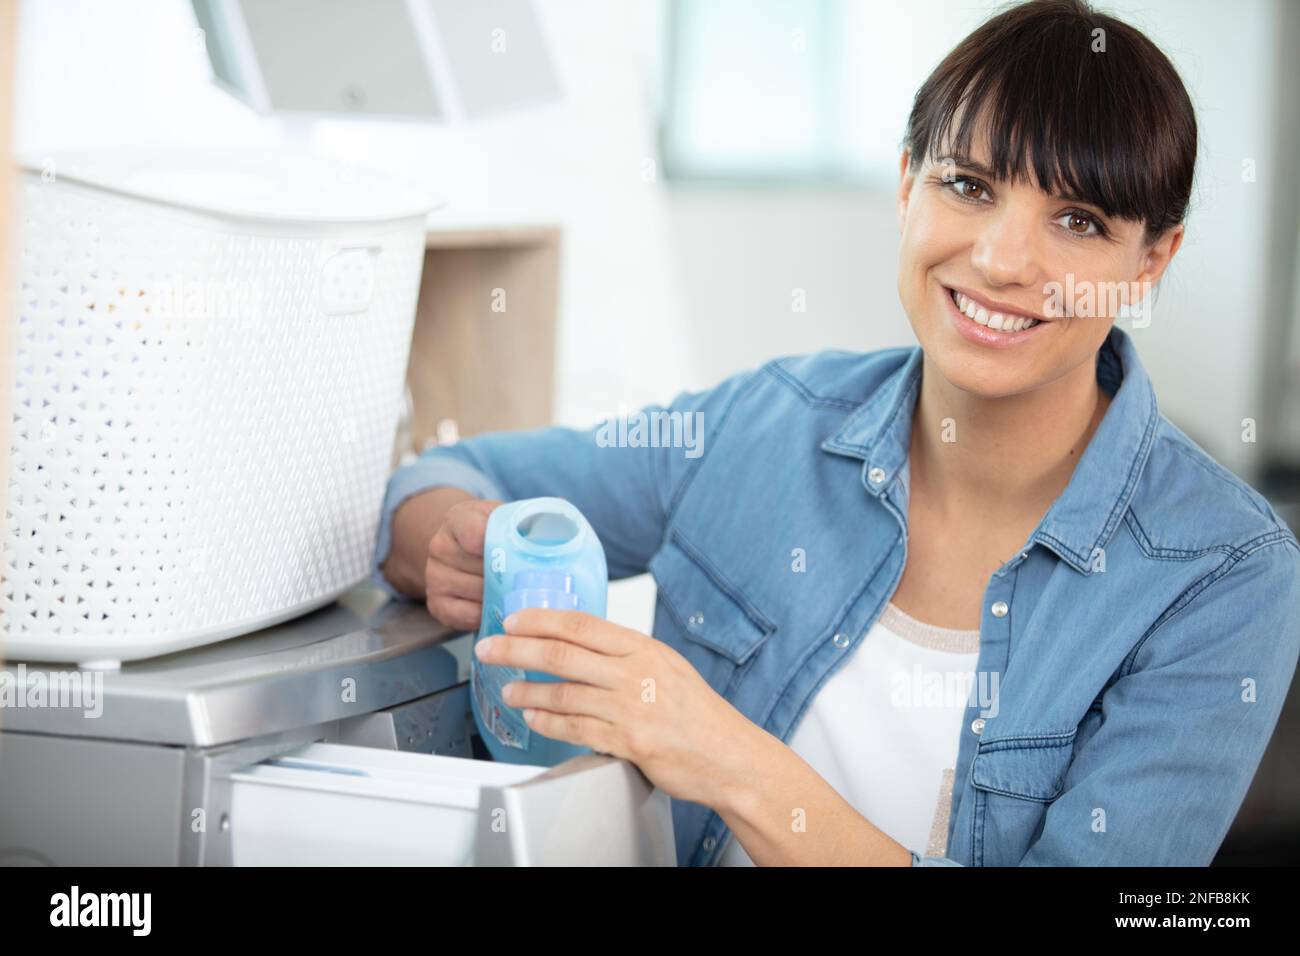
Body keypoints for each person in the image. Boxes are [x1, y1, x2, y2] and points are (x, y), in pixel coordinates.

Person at [371, 0, 1300, 866]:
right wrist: (459, 544)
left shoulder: (1223, 573)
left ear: (1151, 262)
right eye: (968, 186)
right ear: (906, 188)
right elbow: (443, 477)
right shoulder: (767, 421)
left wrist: (723, 757)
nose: (1001, 259)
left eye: (1077, 219)